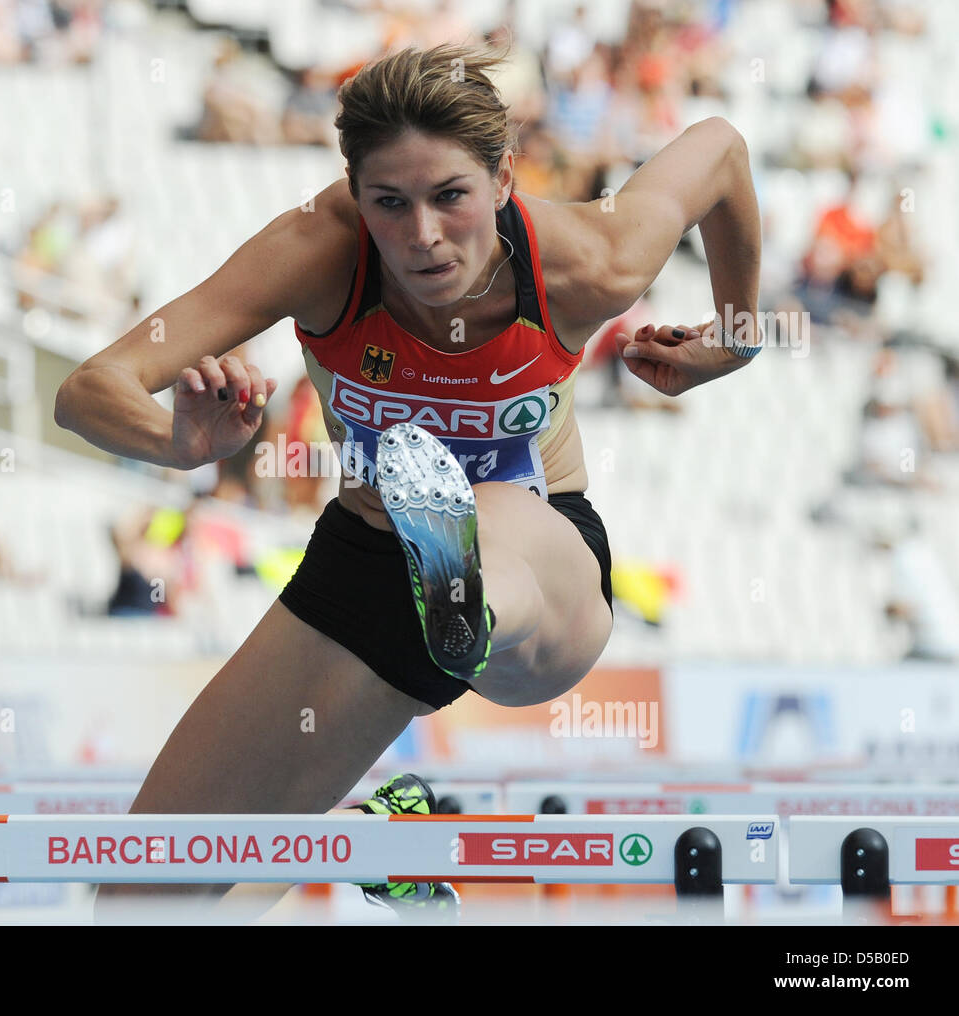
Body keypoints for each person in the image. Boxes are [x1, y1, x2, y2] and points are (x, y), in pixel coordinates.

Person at [54, 42, 762, 923]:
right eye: (390, 204)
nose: (423, 236)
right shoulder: (317, 253)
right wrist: (179, 443)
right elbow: (87, 389)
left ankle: (465, 601)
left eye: (450, 198)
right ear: (356, 197)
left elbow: (725, 148)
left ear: (504, 181)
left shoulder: (591, 260)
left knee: (485, 532)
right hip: (367, 558)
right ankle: (379, 838)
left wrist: (736, 335)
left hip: (542, 565)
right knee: (139, 906)